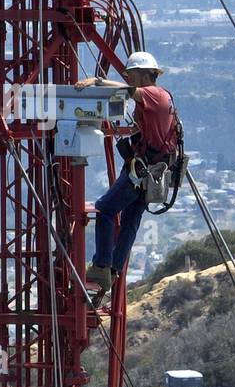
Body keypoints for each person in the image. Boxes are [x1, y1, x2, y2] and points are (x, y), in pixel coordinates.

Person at [76, 51, 178, 297]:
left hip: (144, 169)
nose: (129, 80)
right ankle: (113, 269)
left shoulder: (154, 94)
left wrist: (98, 82)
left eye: (132, 75)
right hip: (155, 170)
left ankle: (101, 265)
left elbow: (130, 92)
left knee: (106, 209)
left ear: (144, 75)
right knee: (131, 219)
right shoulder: (164, 99)